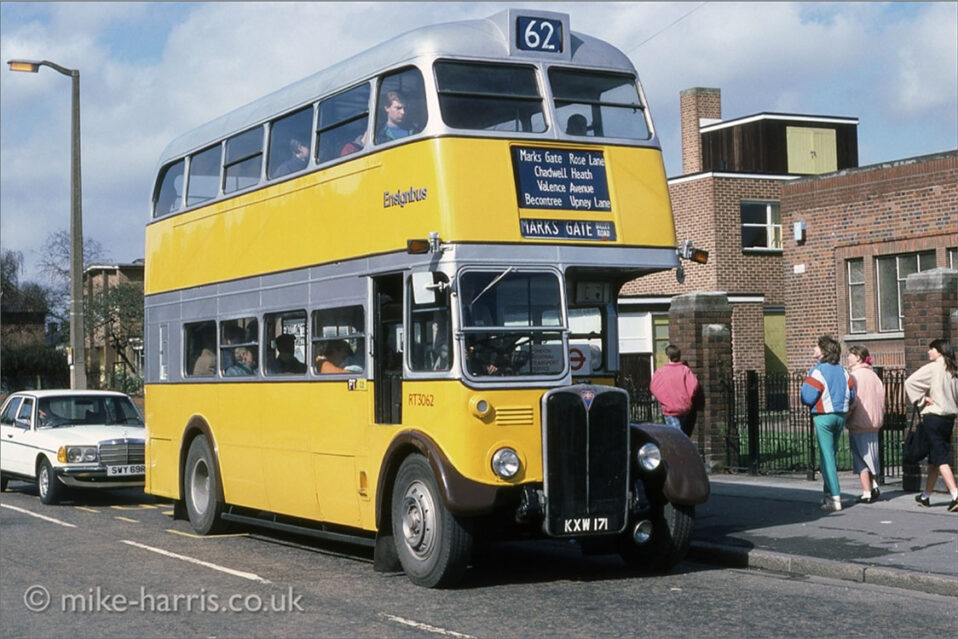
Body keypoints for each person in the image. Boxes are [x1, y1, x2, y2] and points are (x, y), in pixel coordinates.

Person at [800, 335, 856, 512]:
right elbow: (852, 394)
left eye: (816, 347)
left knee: (826, 456)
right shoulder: (844, 371)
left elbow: (807, 397)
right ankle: (827, 496)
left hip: (823, 416)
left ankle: (835, 496)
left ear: (823, 351)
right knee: (831, 453)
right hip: (841, 415)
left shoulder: (817, 371)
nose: (813, 350)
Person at [904, 339, 958, 512]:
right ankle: (926, 496)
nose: (929, 353)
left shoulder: (934, 367)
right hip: (948, 418)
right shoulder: (953, 369)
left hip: (933, 417)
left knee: (940, 457)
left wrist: (921, 399)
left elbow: (910, 382)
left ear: (939, 351)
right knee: (935, 458)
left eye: (931, 349)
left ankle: (956, 495)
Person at [845, 345, 884, 504]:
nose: (848, 358)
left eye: (851, 355)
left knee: (860, 459)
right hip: (874, 422)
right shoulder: (874, 376)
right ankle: (874, 484)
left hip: (858, 422)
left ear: (858, 358)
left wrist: (846, 415)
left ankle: (866, 492)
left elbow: (852, 400)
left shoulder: (853, 377)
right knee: (871, 456)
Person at [649, 344, 700, 434]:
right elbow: (693, 386)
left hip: (670, 410)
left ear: (667, 356)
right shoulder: (685, 370)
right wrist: (687, 399)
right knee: (682, 434)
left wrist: (665, 401)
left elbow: (654, 387)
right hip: (684, 408)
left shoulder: (661, 372)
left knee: (677, 436)